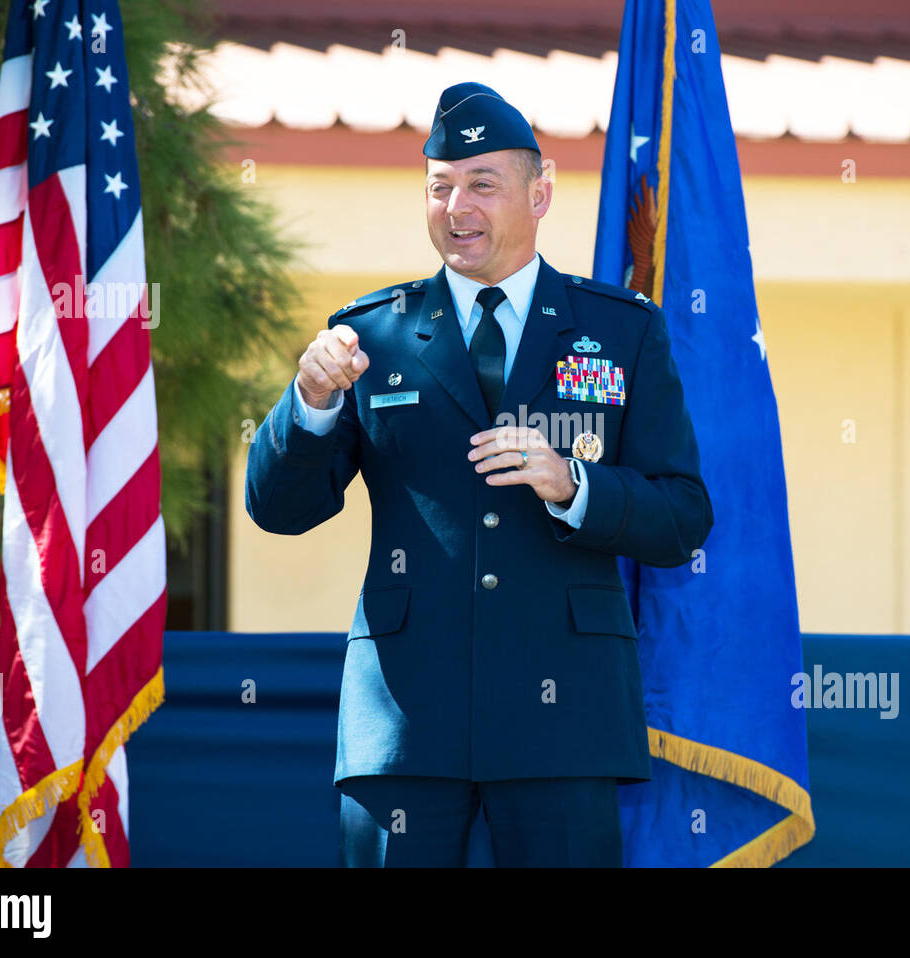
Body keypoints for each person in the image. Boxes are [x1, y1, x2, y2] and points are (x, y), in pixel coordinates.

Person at [245, 82, 713, 867]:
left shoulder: (620, 329)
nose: (456, 206)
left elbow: (684, 515)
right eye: (439, 186)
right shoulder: (371, 335)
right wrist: (310, 401)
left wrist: (573, 484)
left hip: (565, 727)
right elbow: (276, 508)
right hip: (404, 724)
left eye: (481, 185)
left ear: (541, 192)